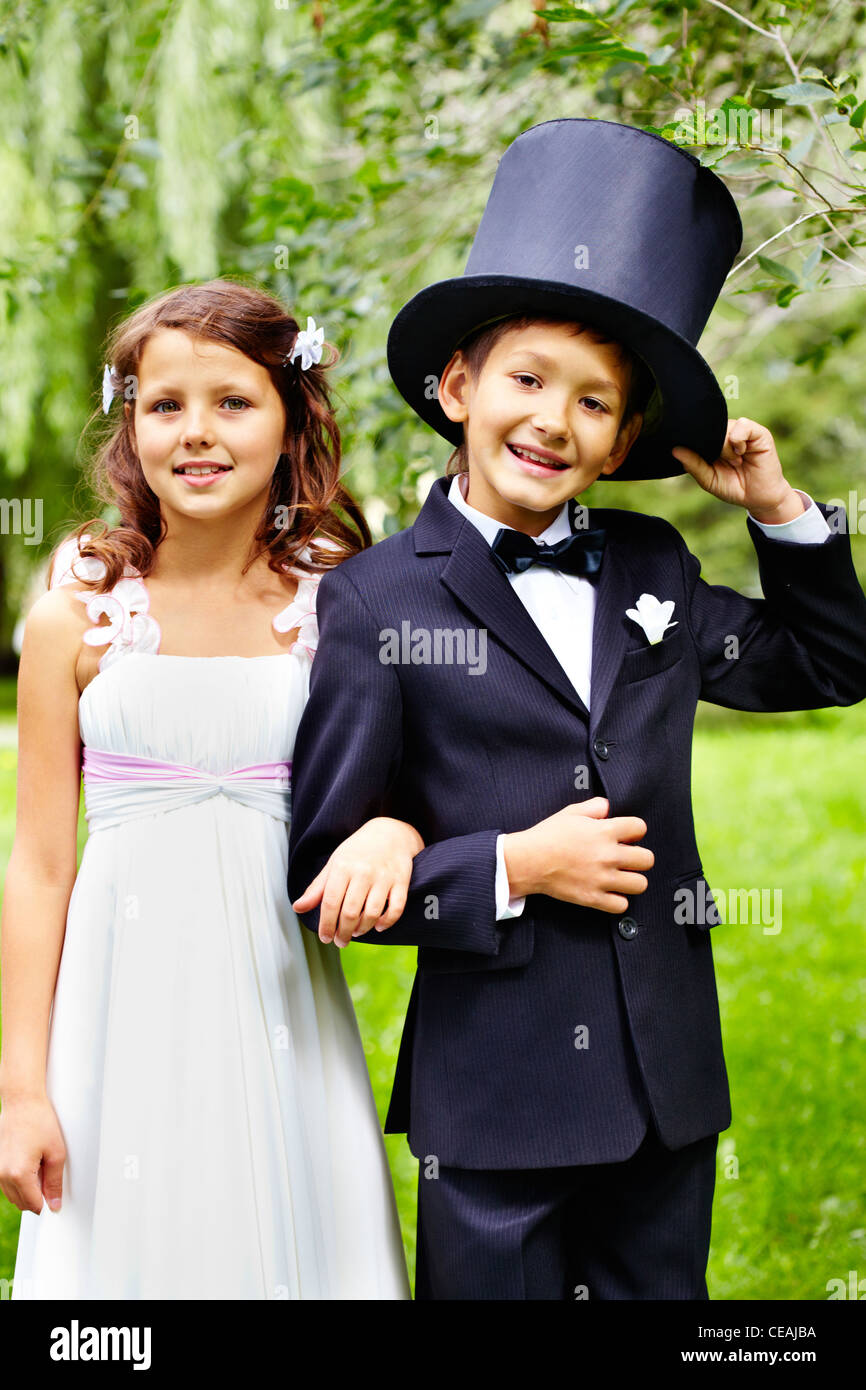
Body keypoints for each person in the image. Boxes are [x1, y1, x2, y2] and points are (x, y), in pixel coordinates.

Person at [286, 119, 866, 1300]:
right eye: (527, 380)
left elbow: (825, 666)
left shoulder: (651, 566)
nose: (554, 418)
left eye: (595, 403)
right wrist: (512, 863)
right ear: (455, 387)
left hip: (663, 1078)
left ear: (621, 444)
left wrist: (778, 512)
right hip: (494, 1100)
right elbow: (323, 874)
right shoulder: (373, 597)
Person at [0, 278, 413, 1299]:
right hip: (118, 1009)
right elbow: (42, 867)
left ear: (290, 421)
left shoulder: (343, 616)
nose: (196, 432)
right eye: (164, 404)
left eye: (232, 402)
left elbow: (410, 789)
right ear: (130, 424)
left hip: (278, 997)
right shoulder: (77, 623)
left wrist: (396, 832)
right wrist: (19, 1089)